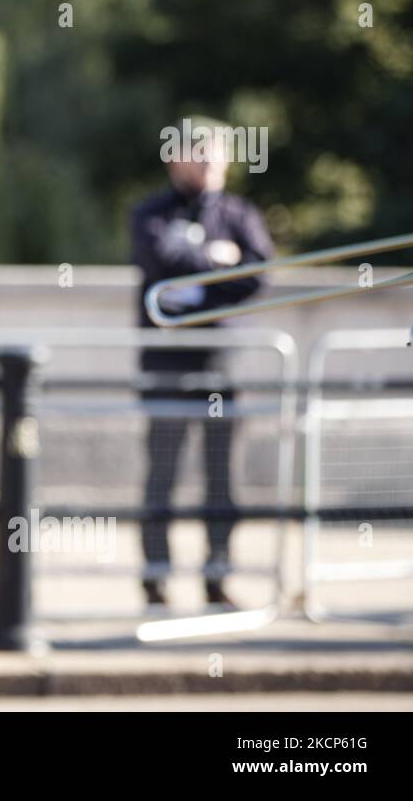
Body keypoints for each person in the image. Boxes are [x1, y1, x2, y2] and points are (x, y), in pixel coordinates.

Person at [130, 118, 275, 609]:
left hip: (221, 367)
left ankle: (217, 576)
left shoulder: (238, 214)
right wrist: (218, 262)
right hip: (168, 365)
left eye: (217, 155)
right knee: (162, 474)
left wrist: (199, 266)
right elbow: (159, 261)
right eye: (200, 154)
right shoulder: (151, 211)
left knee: (221, 476)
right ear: (176, 159)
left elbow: (257, 274)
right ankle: (155, 577)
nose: (210, 164)